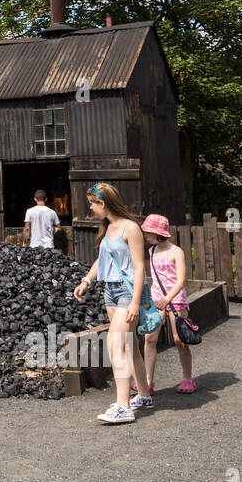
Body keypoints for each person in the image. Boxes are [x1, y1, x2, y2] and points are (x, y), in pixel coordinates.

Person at [73, 182, 154, 424]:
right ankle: (144, 395)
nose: (90, 208)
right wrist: (86, 280)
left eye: (92, 203)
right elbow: (102, 260)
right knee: (130, 346)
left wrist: (134, 302)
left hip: (127, 292)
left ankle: (123, 406)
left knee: (114, 344)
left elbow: (140, 267)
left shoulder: (131, 228)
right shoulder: (107, 228)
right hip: (110, 290)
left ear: (104, 203)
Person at [140, 214, 195, 394]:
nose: (146, 236)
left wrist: (168, 298)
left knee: (179, 339)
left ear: (158, 233)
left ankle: (188, 379)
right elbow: (154, 278)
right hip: (156, 299)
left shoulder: (176, 252)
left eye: (149, 232)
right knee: (150, 338)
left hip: (175, 299)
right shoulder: (152, 251)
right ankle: (148, 381)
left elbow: (181, 280)